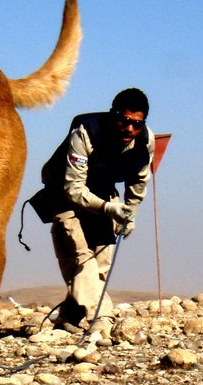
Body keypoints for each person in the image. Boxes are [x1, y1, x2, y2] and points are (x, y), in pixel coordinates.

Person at [36, 88, 155, 337]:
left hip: (102, 191)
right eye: (125, 121)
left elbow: (139, 181)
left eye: (137, 124)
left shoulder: (145, 141)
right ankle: (102, 318)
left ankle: (70, 315)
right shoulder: (86, 132)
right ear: (114, 116)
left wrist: (129, 214)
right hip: (64, 191)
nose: (130, 129)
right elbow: (73, 188)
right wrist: (110, 209)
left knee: (101, 262)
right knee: (79, 257)